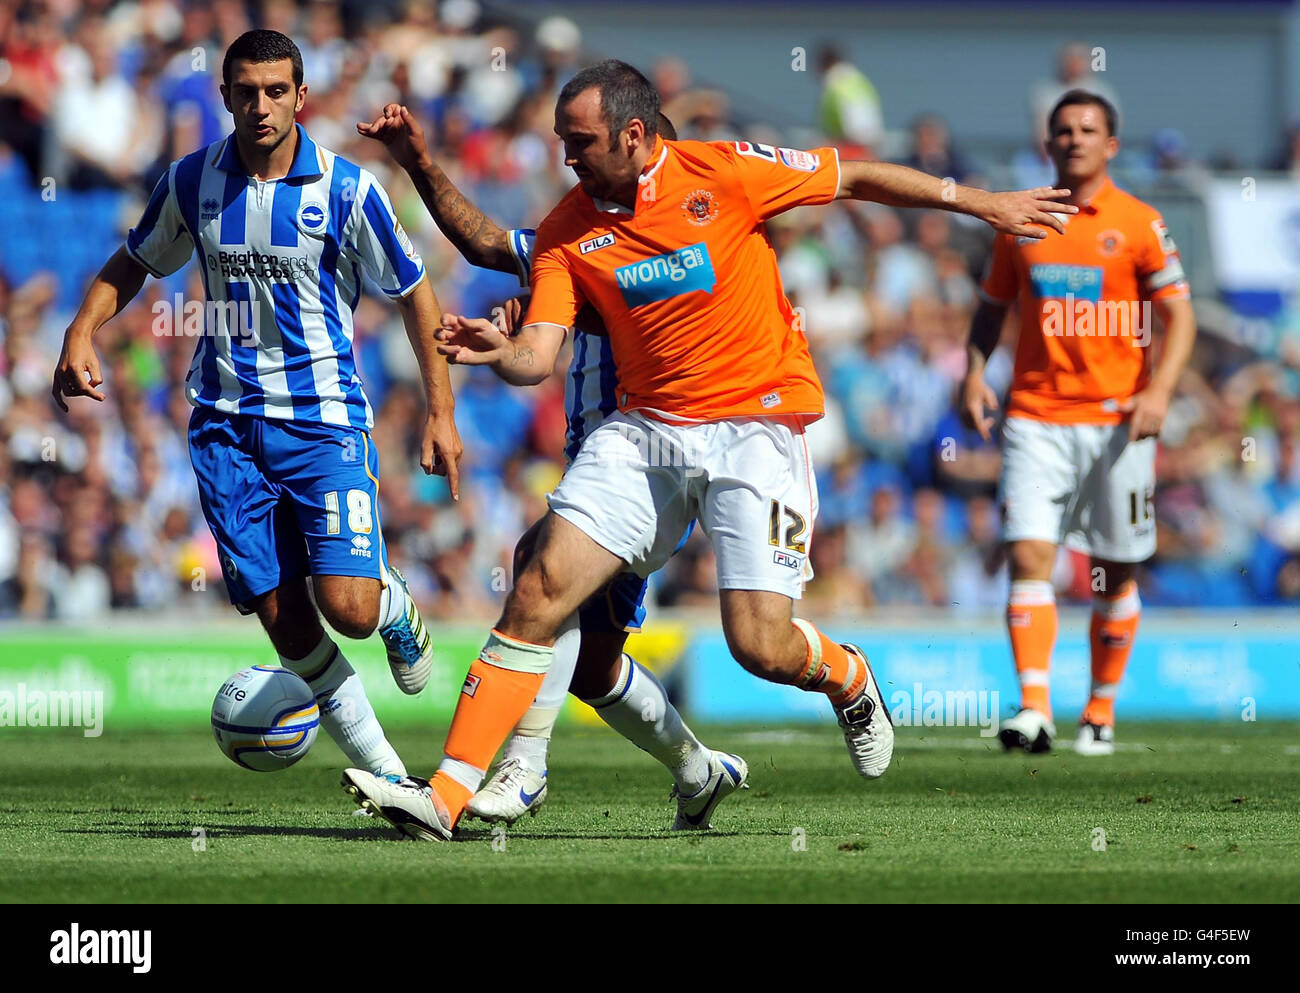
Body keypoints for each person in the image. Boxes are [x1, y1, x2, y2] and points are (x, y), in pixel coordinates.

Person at [343, 58, 1077, 841]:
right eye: (560, 140)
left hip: (754, 429)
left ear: (633, 133)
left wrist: (981, 202)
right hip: (645, 429)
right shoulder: (567, 226)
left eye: (581, 140)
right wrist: (499, 351)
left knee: (759, 644)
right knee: (539, 582)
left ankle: (850, 676)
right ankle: (449, 795)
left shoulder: (726, 171)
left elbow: (856, 177)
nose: (567, 156)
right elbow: (537, 353)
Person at [51, 29, 463, 784]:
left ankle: (393, 600)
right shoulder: (190, 182)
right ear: (226, 96)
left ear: (302, 96)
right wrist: (82, 328)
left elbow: (413, 290)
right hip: (224, 426)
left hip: (324, 421)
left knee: (351, 609)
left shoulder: (347, 189)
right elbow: (136, 260)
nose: (262, 105)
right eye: (247, 91)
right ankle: (391, 778)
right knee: (284, 616)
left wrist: (440, 409)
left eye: (277, 91)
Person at [358, 104, 745, 829]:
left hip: (652, 464)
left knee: (541, 571)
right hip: (604, 460)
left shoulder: (675, 247)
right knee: (594, 667)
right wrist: (418, 162)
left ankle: (521, 766)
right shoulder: (583, 242)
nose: (581, 170)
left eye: (589, 151)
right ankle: (699, 769)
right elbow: (486, 244)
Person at [959, 89, 1195, 756]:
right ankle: (1034, 705)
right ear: (1048, 143)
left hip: (1119, 421)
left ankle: (1099, 708)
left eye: (1088, 129)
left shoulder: (1142, 224)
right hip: (1035, 416)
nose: (1074, 139)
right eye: (1063, 130)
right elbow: (990, 308)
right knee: (1030, 554)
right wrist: (974, 372)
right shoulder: (1021, 221)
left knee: (1115, 573)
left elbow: (1182, 318)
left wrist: (1161, 393)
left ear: (1111, 144)